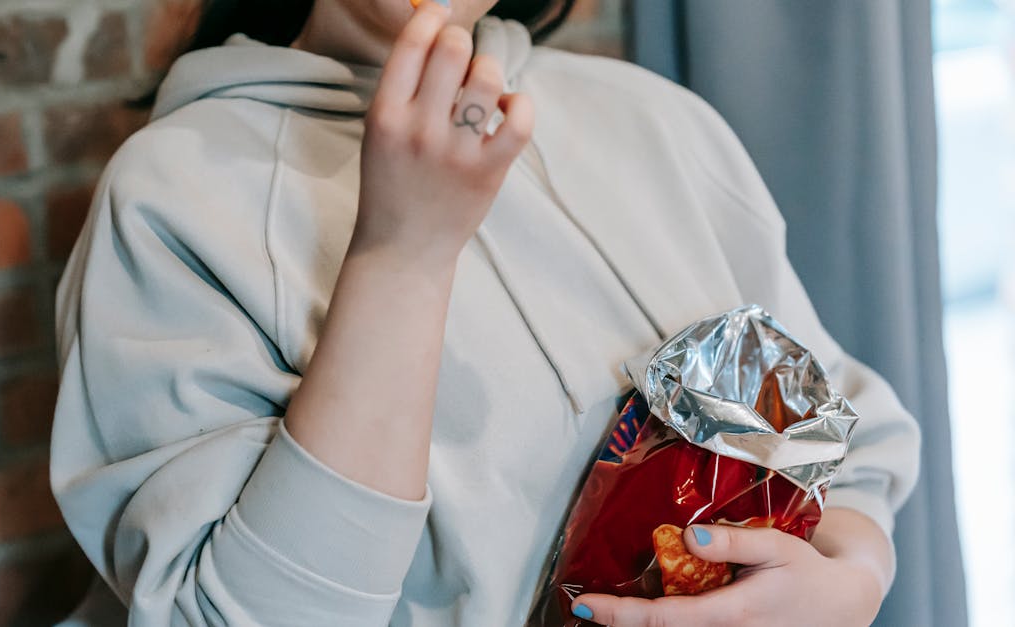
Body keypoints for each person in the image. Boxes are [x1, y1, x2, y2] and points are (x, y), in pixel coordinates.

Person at [49, 1, 922, 625]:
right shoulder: (173, 199)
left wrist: (853, 577)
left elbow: (849, 440)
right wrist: (403, 255)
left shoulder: (655, 122)